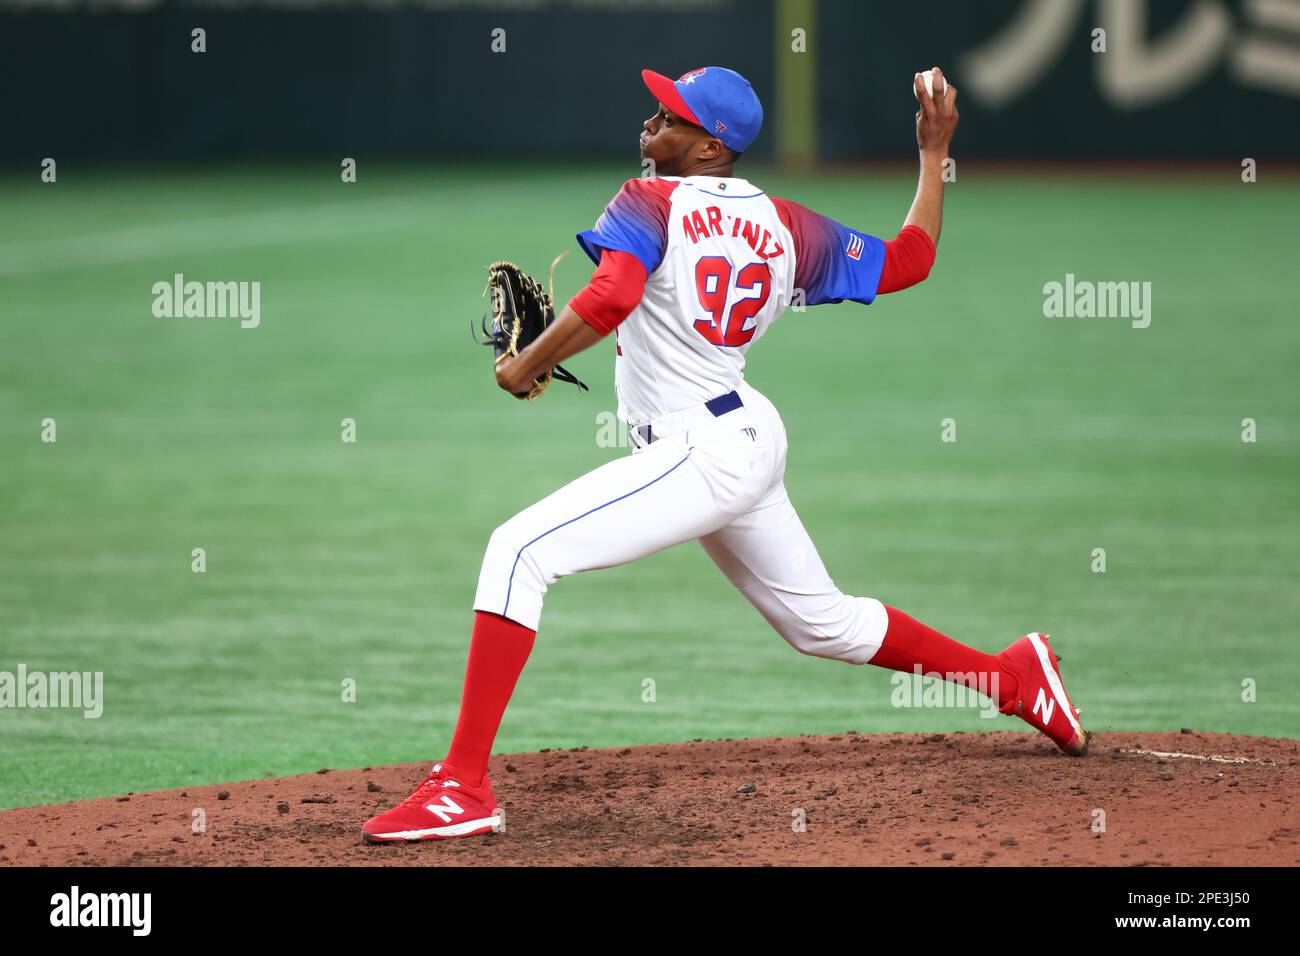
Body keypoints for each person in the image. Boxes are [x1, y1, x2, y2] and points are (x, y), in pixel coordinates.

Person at [363, 65, 1087, 844]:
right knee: (825, 625)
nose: (650, 124)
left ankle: (460, 788)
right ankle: (1012, 678)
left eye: (669, 117)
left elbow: (610, 298)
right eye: (655, 109)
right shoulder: (786, 224)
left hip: (701, 450)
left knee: (517, 552)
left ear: (709, 148)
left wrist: (526, 362)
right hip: (743, 436)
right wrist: (933, 155)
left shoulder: (648, 199)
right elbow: (910, 259)